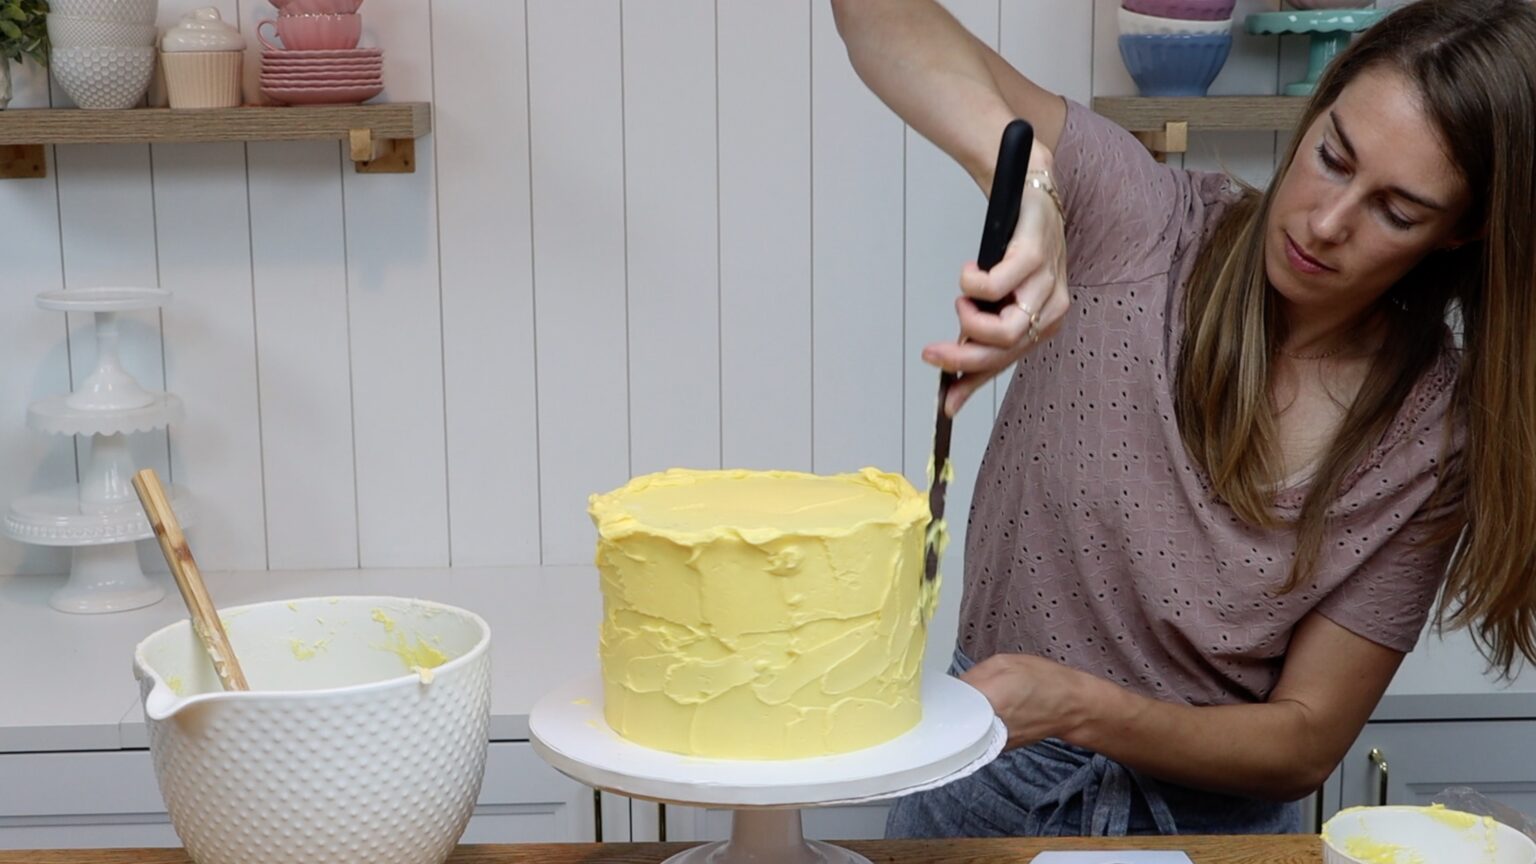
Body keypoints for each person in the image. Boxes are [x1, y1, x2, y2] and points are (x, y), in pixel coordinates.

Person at [831, 0, 1536, 838]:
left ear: (1461, 234)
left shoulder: (1432, 436)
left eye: (1397, 211)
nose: (1326, 221)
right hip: (985, 792)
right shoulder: (1142, 224)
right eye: (1332, 157)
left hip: (1216, 837)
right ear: (1314, 114)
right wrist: (1030, 183)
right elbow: (877, 16)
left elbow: (1305, 742)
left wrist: (1081, 709)